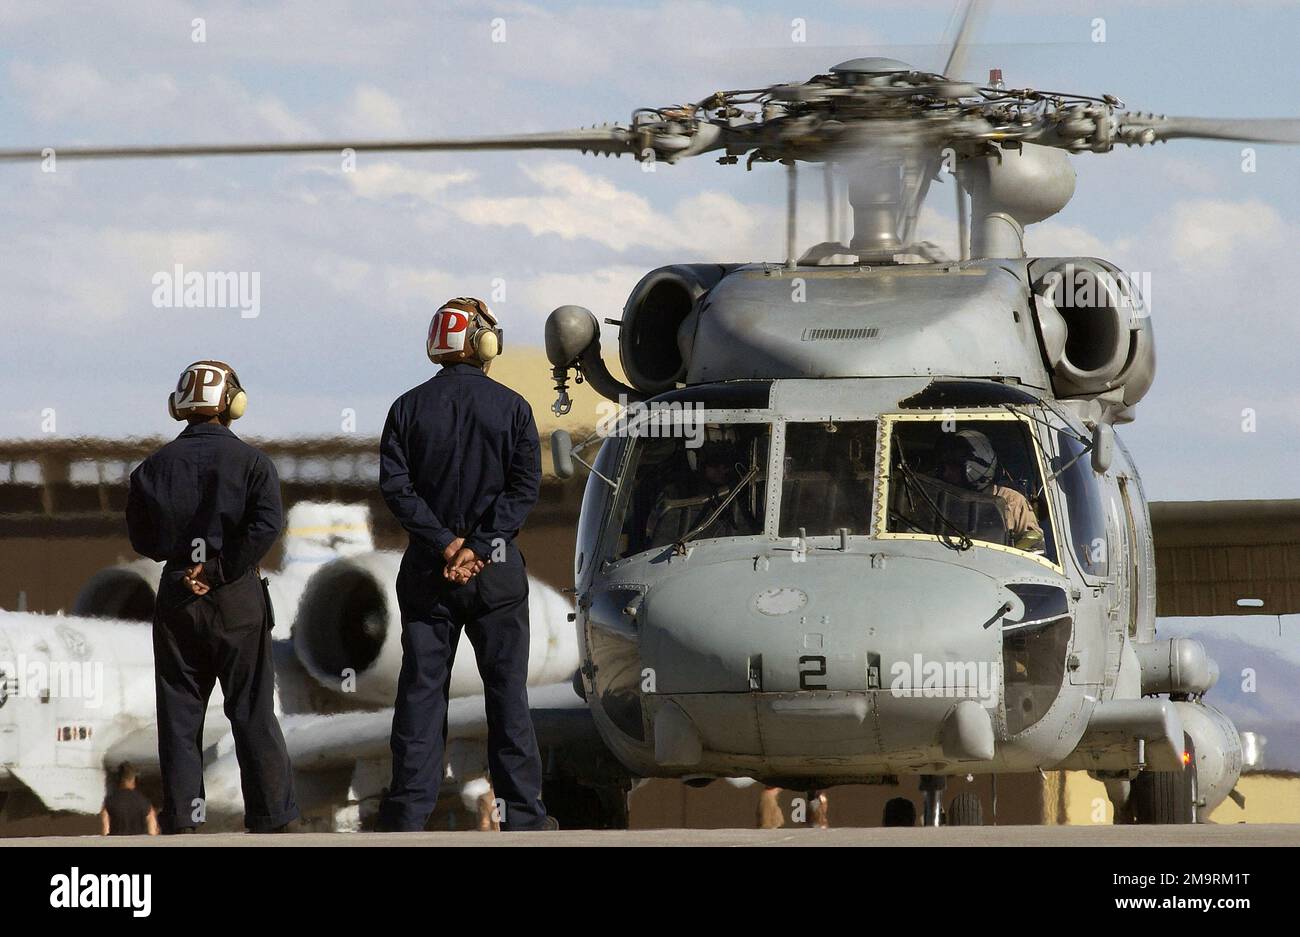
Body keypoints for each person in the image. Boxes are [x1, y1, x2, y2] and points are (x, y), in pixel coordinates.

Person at [375, 297, 553, 832]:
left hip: (429, 573)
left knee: (421, 696)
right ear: (483, 344)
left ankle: (407, 816)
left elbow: (396, 488)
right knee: (507, 697)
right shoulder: (515, 407)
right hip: (495, 572)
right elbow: (524, 488)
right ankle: (522, 814)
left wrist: (444, 545)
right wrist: (478, 545)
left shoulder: (406, 408)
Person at [126, 360, 299, 834]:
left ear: (179, 406)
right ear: (232, 404)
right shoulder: (255, 463)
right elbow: (266, 527)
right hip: (236, 598)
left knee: (180, 716)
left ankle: (184, 820)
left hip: (178, 597)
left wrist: (187, 562)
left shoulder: (150, 468)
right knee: (251, 711)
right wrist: (220, 568)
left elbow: (144, 541)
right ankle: (270, 819)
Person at [933, 429, 1044, 552]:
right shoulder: (935, 498)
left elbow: (1034, 544)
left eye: (953, 467)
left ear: (975, 467)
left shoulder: (1013, 501)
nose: (946, 473)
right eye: (944, 467)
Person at [100, 762, 159, 836]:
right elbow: (152, 831)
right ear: (133, 779)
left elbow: (105, 830)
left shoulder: (109, 802)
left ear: (119, 779)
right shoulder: (144, 802)